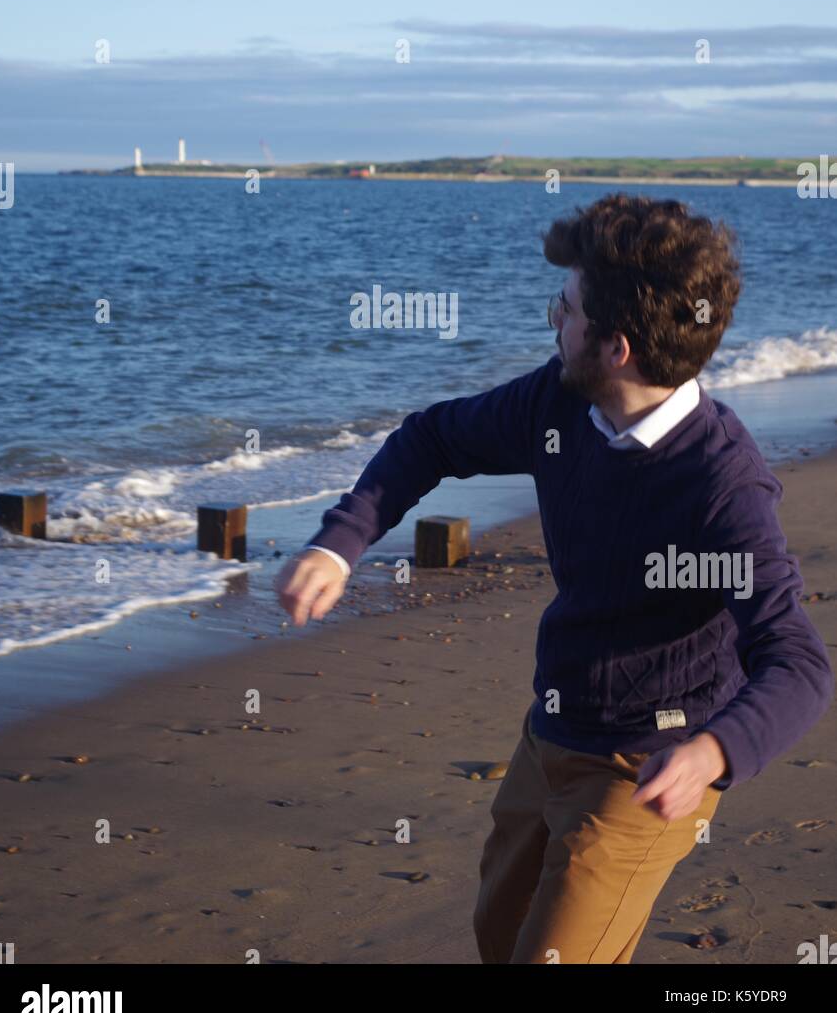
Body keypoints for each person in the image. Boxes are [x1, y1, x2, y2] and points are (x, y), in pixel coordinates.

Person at [273, 194, 834, 964]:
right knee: (499, 936)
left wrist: (714, 752)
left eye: (564, 309)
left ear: (618, 348)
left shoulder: (722, 488)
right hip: (553, 731)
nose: (552, 321)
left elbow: (798, 661)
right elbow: (432, 438)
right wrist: (340, 544)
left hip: (647, 771)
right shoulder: (559, 405)